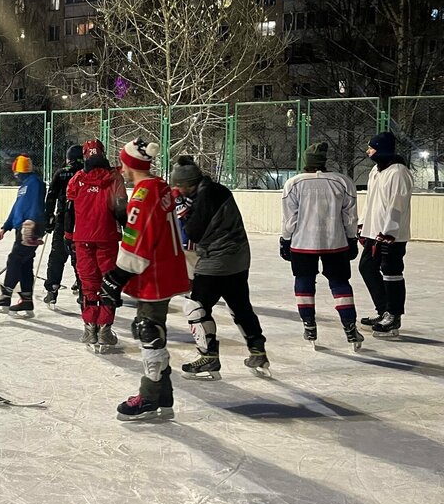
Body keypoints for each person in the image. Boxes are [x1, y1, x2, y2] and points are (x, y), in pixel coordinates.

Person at [98, 139, 190, 421]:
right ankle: (163, 396)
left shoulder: (142, 195)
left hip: (154, 274)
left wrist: (116, 277)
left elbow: (137, 238)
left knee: (149, 332)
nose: (121, 168)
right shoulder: (159, 185)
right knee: (153, 329)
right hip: (166, 269)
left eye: (123, 162)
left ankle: (149, 399)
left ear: (132, 165)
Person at [170, 155, 271, 380]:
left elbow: (194, 232)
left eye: (180, 186)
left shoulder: (206, 197)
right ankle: (258, 351)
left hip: (217, 259)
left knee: (195, 306)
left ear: (189, 183)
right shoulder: (217, 190)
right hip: (238, 257)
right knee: (239, 305)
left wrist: (182, 213)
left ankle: (209, 356)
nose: (178, 190)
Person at [280, 142, 362, 349]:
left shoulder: (294, 183)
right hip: (336, 242)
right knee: (340, 283)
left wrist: (285, 239)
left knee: (304, 281)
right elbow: (350, 217)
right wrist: (352, 239)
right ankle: (350, 327)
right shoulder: (343, 182)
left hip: (302, 243)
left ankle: (309, 324)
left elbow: (290, 218)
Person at [65, 139, 127, 349]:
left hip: (82, 239)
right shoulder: (114, 178)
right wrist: (130, 235)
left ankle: (90, 328)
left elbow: (69, 210)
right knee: (108, 284)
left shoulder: (77, 179)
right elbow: (121, 210)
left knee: (89, 284)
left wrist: (67, 235)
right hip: (107, 238)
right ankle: (105, 330)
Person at [357, 131, 413, 337]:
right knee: (367, 268)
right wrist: (363, 224)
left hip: (391, 235)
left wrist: (388, 233)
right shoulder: (376, 170)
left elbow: (397, 206)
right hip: (374, 231)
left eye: (371, 147)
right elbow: (371, 200)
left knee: (391, 272)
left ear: (381, 149)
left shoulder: (398, 172)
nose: (368, 151)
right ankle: (383, 310)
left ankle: (394, 316)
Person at [0, 154, 46, 315]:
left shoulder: (35, 183)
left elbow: (36, 205)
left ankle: (6, 294)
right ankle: (26, 300)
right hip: (23, 227)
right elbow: (16, 209)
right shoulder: (24, 186)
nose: (15, 175)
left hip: (30, 227)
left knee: (15, 259)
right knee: (25, 264)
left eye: (16, 172)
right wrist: (5, 227)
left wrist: (32, 223)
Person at [43, 144, 84, 306]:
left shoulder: (61, 173)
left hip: (63, 219)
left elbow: (51, 196)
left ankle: (52, 289)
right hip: (82, 221)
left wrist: (48, 219)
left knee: (57, 256)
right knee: (80, 257)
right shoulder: (86, 173)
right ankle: (83, 289)